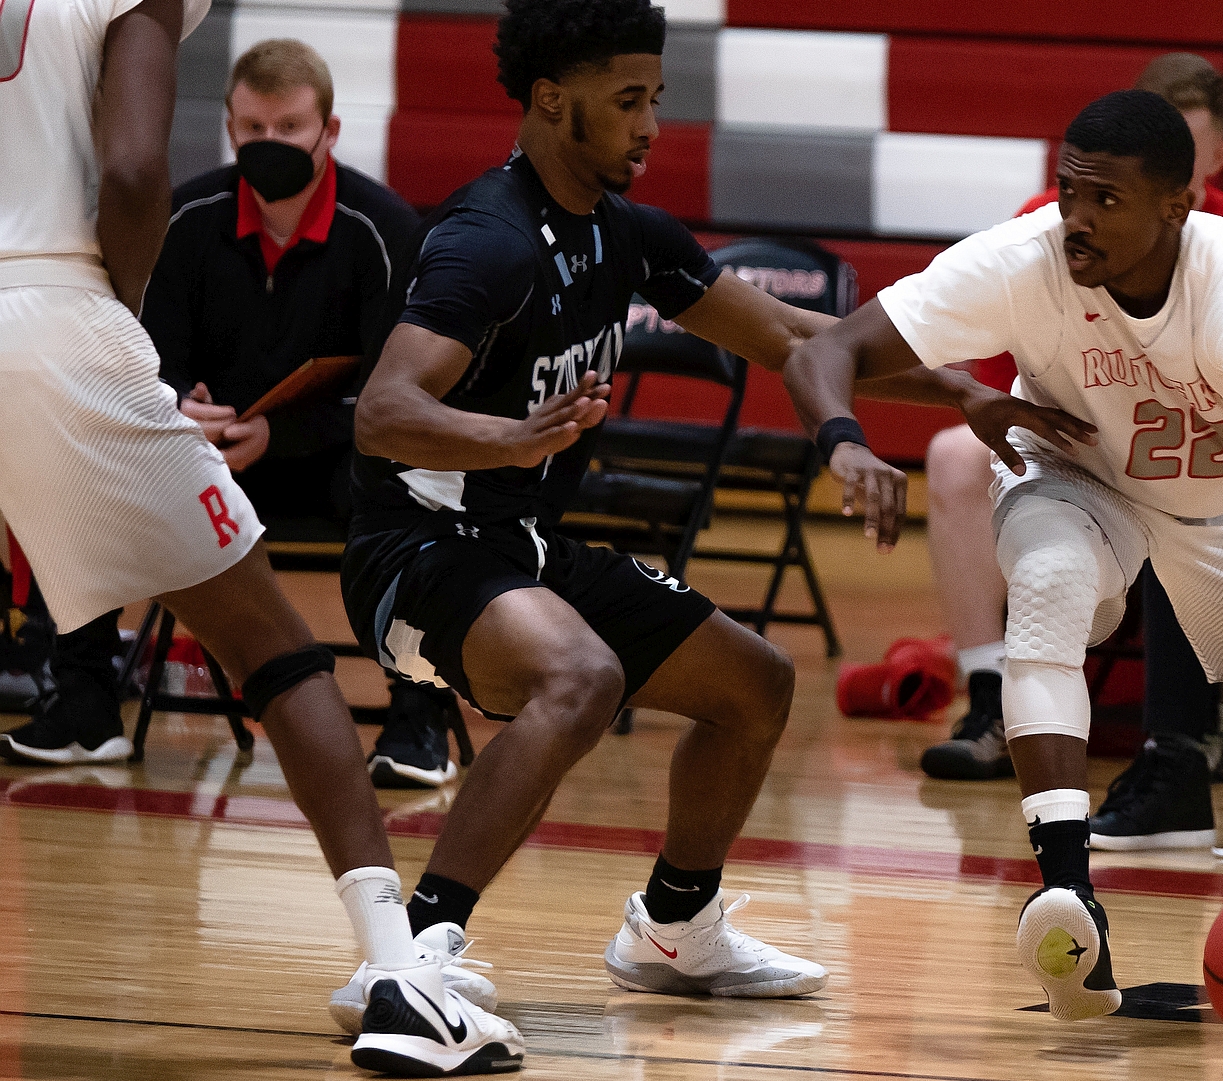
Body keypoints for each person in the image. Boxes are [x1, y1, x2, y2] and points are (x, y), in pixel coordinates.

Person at [332, 1, 1051, 1069]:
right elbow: (383, 410)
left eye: (655, 99)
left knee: (755, 682)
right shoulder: (487, 241)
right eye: (627, 101)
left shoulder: (624, 235)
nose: (648, 123)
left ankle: (675, 927)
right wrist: (509, 434)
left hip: (520, 542)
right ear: (548, 99)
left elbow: (800, 335)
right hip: (419, 549)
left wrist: (959, 393)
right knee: (578, 676)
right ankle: (422, 949)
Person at [784, 90, 1223, 1018]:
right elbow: (825, 351)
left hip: (1217, 510)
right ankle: (1067, 893)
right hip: (1076, 475)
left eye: (1106, 200)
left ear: (1179, 206)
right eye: (1069, 191)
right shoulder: (1024, 260)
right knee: (1052, 585)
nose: (1077, 218)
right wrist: (848, 441)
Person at [0, 0, 520, 1073]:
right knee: (276, 649)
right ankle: (396, 970)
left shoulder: (375, 227)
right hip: (50, 309)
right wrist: (117, 319)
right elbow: (138, 170)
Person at [919, 56, 1223, 856]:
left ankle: (1187, 743)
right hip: (1074, 448)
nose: (1086, 210)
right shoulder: (1051, 222)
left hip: (1185, 458)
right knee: (949, 454)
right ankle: (990, 693)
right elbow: (958, 355)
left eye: (1191, 143)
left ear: (1210, 162)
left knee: (1194, 497)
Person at [142, 38, 458, 789]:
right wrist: (178, 404)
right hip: (208, 459)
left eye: (288, 128)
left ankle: (417, 721)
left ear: (331, 132)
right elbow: (153, 355)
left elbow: (401, 395)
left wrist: (282, 433)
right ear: (229, 127)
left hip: (336, 463)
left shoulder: (384, 231)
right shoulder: (188, 217)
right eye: (253, 129)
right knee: (103, 472)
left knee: (405, 487)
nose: (269, 144)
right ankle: (83, 700)